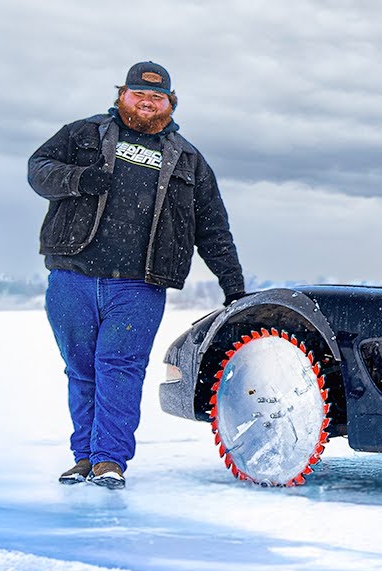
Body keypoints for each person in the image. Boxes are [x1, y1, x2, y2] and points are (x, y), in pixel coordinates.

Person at [28, 61, 247, 490]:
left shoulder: (189, 160)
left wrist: (233, 284)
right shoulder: (82, 134)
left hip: (139, 285)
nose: (147, 102)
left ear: (170, 103)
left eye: (156, 97)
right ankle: (84, 457)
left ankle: (109, 460)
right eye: (138, 94)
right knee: (82, 370)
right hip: (72, 277)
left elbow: (213, 228)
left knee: (120, 368)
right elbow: (38, 169)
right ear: (122, 96)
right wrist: (77, 179)